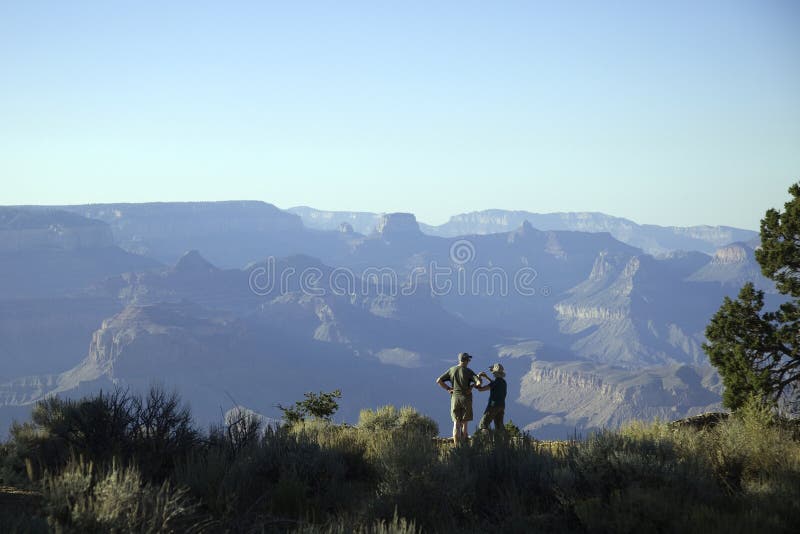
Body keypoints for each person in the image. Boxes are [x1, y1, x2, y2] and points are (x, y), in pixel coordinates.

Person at [436, 352, 482, 445]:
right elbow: (479, 383)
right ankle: (464, 447)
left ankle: (456, 447)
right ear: (466, 360)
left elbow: (439, 380)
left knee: (456, 424)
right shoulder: (468, 371)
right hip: (466, 399)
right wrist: (472, 387)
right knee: (465, 424)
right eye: (468, 359)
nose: (469, 361)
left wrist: (448, 388)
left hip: (455, 399)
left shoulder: (452, 370)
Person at [476, 363, 507, 436]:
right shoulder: (503, 382)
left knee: (483, 425)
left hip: (493, 406)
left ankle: (485, 441)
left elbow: (481, 389)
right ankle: (503, 443)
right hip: (501, 406)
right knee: (499, 427)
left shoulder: (495, 383)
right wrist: (486, 377)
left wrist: (478, 380)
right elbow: (494, 384)